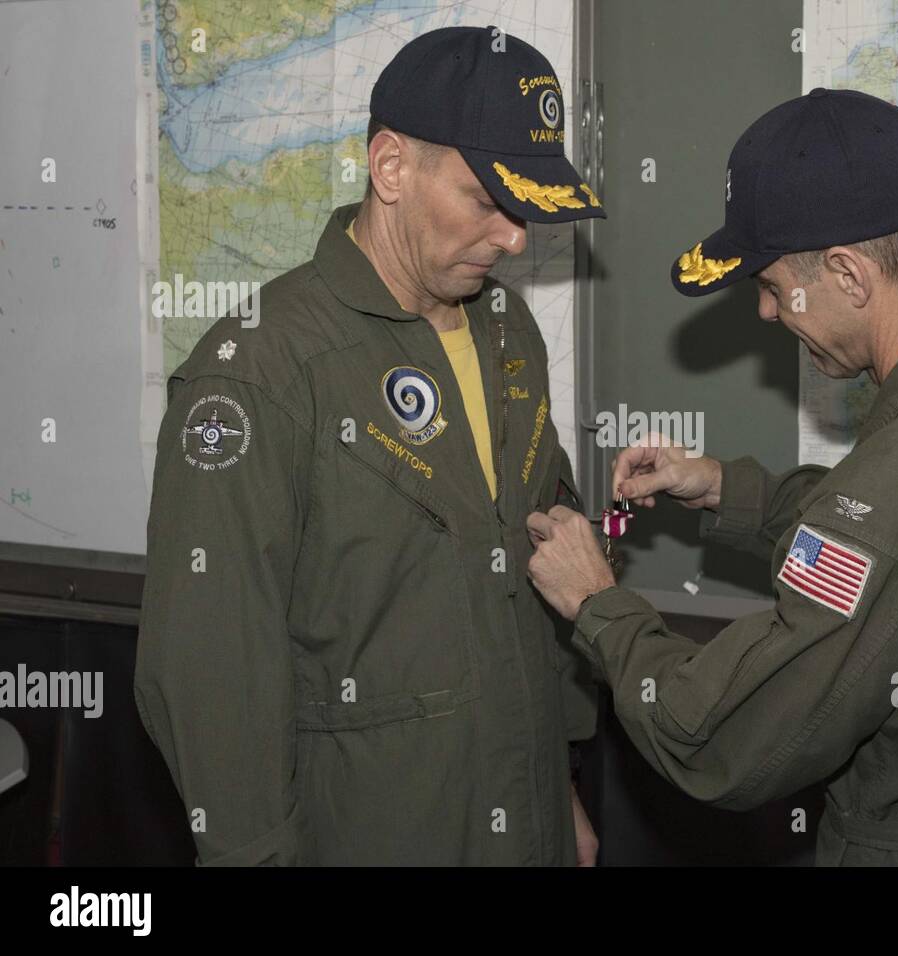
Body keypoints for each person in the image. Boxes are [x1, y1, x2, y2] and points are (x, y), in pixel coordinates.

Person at [526, 88, 898, 865]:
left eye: (773, 286)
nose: (766, 314)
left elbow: (717, 738)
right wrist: (722, 485)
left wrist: (597, 604)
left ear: (848, 275)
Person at [135, 26, 604, 865]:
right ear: (391, 167)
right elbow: (210, 670)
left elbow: (542, 558)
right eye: (486, 201)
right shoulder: (260, 375)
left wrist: (559, 782)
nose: (514, 239)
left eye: (525, 206)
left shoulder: (506, 330)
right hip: (374, 829)